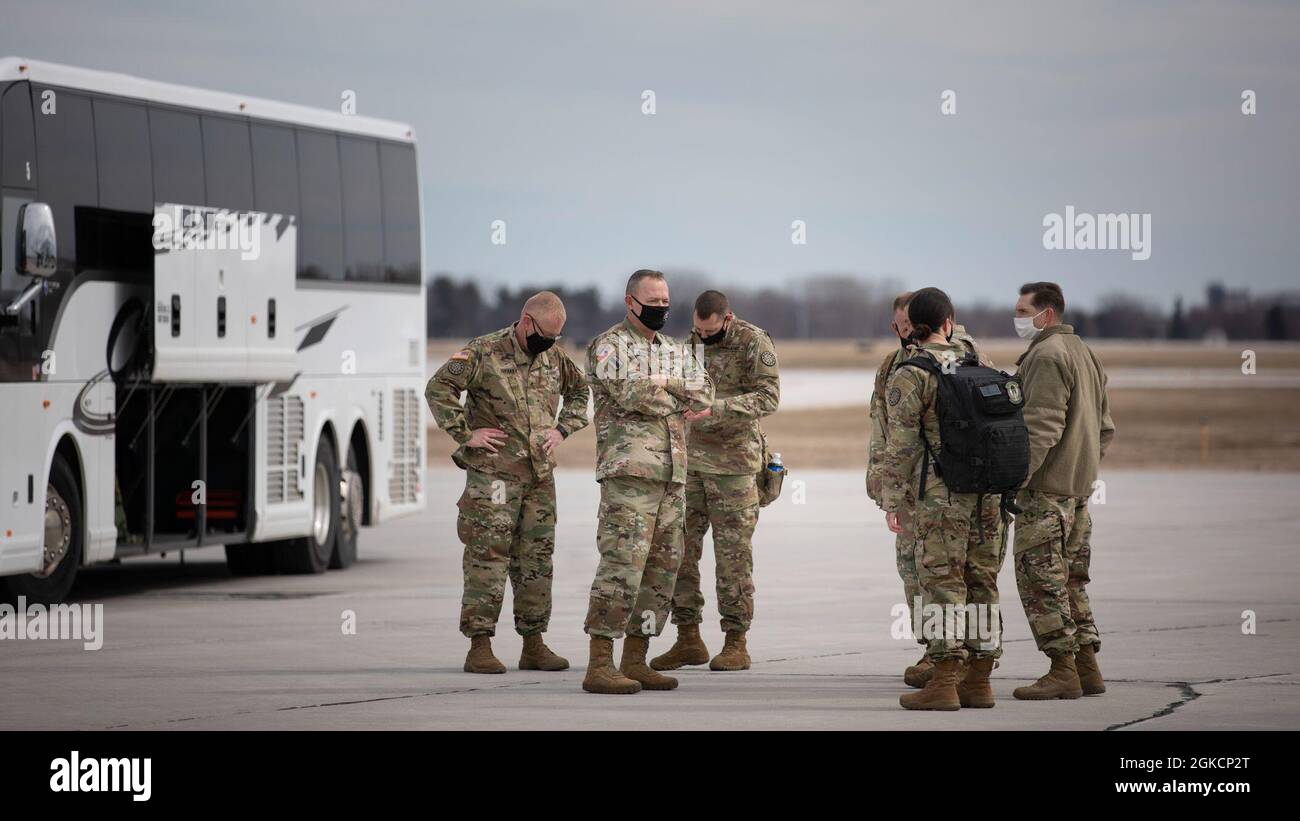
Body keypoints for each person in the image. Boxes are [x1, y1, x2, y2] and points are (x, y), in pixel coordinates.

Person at [425, 291, 589, 674]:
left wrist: (563, 429)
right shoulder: (483, 352)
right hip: (493, 478)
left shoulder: (553, 356)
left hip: (539, 479)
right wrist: (465, 433)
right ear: (526, 321)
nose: (548, 344)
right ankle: (479, 646)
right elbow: (439, 389)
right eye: (545, 335)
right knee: (488, 559)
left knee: (536, 562)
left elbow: (580, 392)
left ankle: (534, 644)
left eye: (556, 338)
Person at [582, 269, 714, 694]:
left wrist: (664, 381)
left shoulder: (674, 350)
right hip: (630, 475)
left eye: (665, 302)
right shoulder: (610, 345)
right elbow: (633, 394)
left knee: (662, 571)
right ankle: (600, 663)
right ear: (630, 301)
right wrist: (676, 393)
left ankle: (635, 659)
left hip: (673, 475)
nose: (660, 308)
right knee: (622, 566)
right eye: (652, 301)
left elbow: (706, 392)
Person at [879, 287, 1006, 710]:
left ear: (913, 327)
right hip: (988, 496)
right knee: (981, 583)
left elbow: (899, 448)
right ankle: (980, 679)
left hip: (940, 499)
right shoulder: (981, 364)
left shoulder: (911, 373)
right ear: (949, 323)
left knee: (942, 585)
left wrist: (894, 500)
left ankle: (945, 679)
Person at [652, 290, 780, 673]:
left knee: (733, 559)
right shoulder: (689, 344)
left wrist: (717, 409)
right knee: (679, 552)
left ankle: (735, 641)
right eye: (697, 329)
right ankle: (688, 638)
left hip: (736, 467)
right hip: (691, 466)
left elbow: (769, 397)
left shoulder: (753, 342)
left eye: (709, 330)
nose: (702, 337)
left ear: (727, 319)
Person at [1011, 282, 1115, 700]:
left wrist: (1014, 481)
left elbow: (1041, 428)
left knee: (1041, 583)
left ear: (1046, 314)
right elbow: (1104, 429)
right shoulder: (1085, 353)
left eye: (1023, 311)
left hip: (1046, 494)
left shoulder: (1048, 355)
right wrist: (1082, 470)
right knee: (1071, 582)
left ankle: (1062, 670)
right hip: (1077, 495)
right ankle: (1088, 669)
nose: (1017, 318)